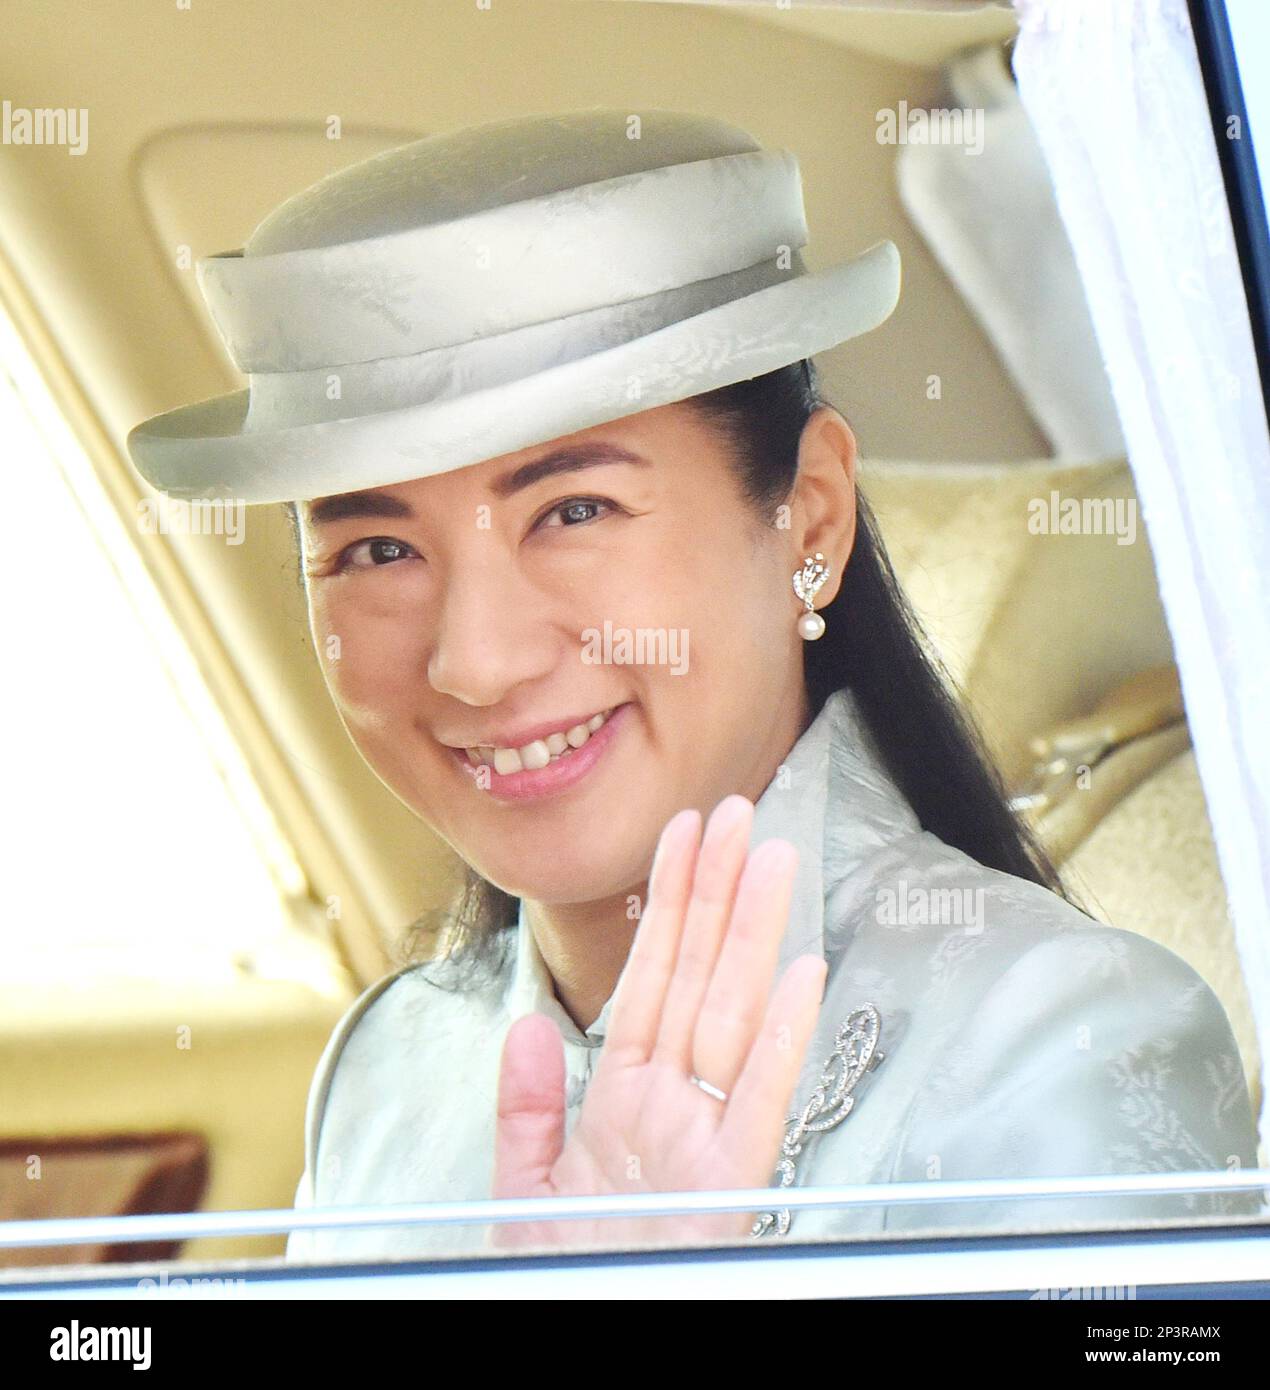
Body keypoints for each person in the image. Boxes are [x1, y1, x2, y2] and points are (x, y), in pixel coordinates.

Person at [127, 109, 1260, 1261]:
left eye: (573, 512)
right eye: (378, 550)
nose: (474, 659)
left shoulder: (1068, 1041)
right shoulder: (389, 1068)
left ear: (807, 514)